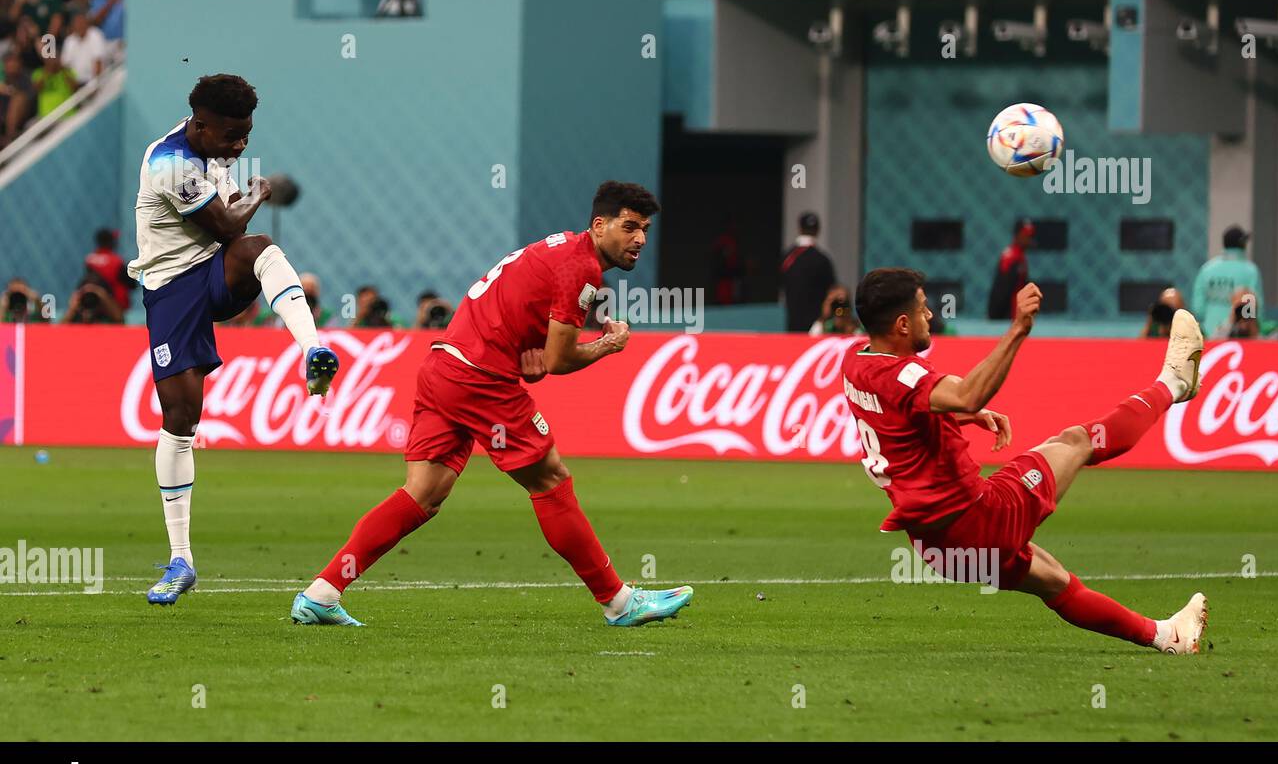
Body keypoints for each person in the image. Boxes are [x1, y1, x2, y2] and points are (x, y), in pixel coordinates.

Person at [290, 181, 694, 628]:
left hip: (444, 364)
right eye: (629, 227)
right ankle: (619, 603)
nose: (639, 239)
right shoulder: (580, 269)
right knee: (550, 478)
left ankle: (322, 592)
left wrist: (531, 355)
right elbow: (559, 360)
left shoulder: (560, 248)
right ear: (600, 226)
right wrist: (608, 344)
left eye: (645, 230)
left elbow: (530, 339)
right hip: (478, 378)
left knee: (423, 492)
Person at [843, 268, 1208, 653]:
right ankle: (1175, 383)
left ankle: (1169, 637)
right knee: (1079, 441)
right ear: (902, 324)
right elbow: (967, 393)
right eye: (922, 309)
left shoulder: (856, 362)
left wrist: (962, 416)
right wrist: (1019, 326)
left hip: (938, 547)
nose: (930, 315)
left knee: (1055, 582)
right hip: (984, 520)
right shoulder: (905, 375)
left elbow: (894, 416)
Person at [129, 74, 341, 607]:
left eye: (246, 133)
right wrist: (260, 191)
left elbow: (230, 237)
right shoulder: (170, 162)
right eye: (230, 135)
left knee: (261, 248)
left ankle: (313, 348)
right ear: (199, 125)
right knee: (181, 416)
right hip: (170, 288)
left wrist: (250, 191)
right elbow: (224, 223)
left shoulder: (216, 146)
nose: (240, 144)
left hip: (213, 274)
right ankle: (181, 561)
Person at [1192, 225, 1264, 339]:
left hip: (1209, 334)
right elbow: (1257, 310)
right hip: (1242, 336)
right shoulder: (1250, 270)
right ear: (1243, 244)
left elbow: (1198, 309)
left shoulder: (1206, 269)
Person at [780, 211, 836, 332]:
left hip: (793, 324)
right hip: (816, 326)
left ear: (799, 228)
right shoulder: (822, 259)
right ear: (818, 230)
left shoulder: (788, 257)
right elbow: (832, 291)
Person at [986, 217, 1033, 320]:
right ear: (1017, 235)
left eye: (1030, 235)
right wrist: (996, 320)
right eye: (1025, 235)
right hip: (1007, 320)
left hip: (1016, 318)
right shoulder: (1010, 257)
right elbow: (1001, 291)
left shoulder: (1020, 257)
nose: (1028, 239)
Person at [84, 227, 136, 314]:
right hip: (115, 306)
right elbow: (132, 285)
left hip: (95, 305)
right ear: (110, 242)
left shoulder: (89, 260)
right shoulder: (116, 261)